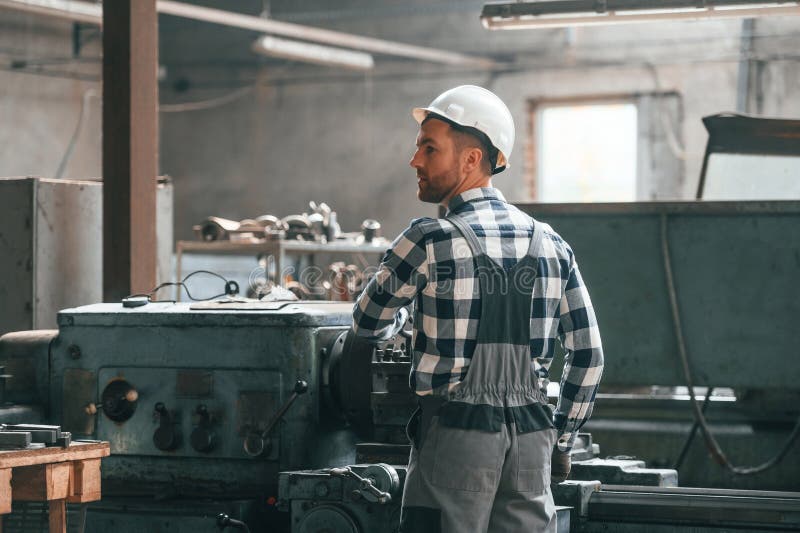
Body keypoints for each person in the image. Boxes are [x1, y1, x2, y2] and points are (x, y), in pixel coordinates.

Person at [352, 85, 604, 533]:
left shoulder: (428, 239)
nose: (415, 161)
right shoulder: (551, 245)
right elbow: (588, 355)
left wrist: (411, 319)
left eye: (429, 148)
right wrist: (562, 438)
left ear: (471, 160)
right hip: (531, 444)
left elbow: (368, 322)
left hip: (455, 439)